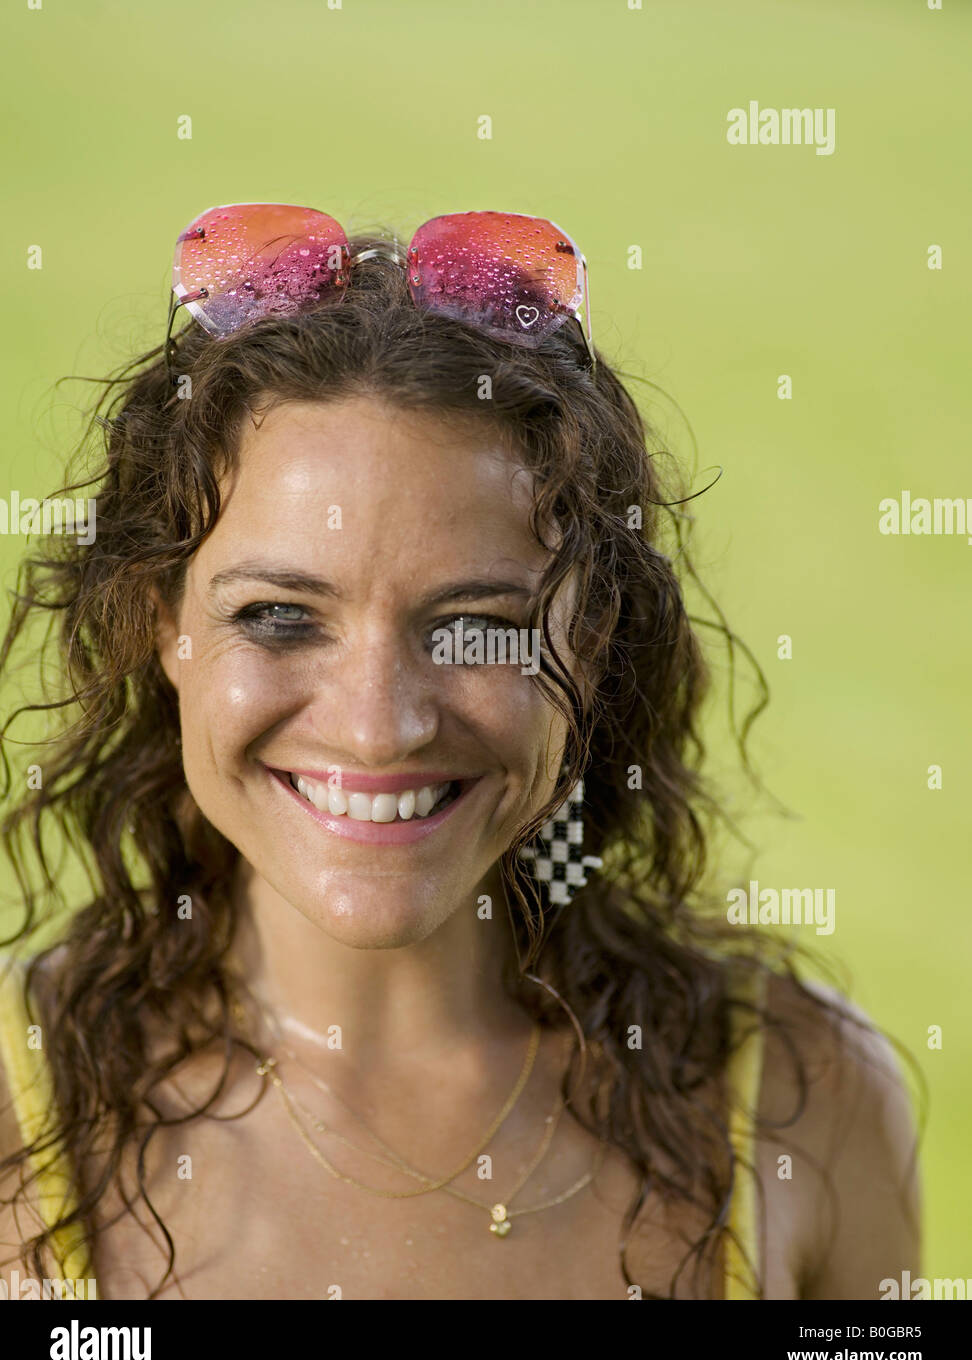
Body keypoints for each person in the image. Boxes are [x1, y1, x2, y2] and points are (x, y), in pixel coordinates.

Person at [0, 206, 920, 1300]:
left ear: (591, 639)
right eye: (282, 617)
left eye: (475, 626)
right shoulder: (19, 1109)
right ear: (163, 623)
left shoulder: (800, 1103)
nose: (380, 725)